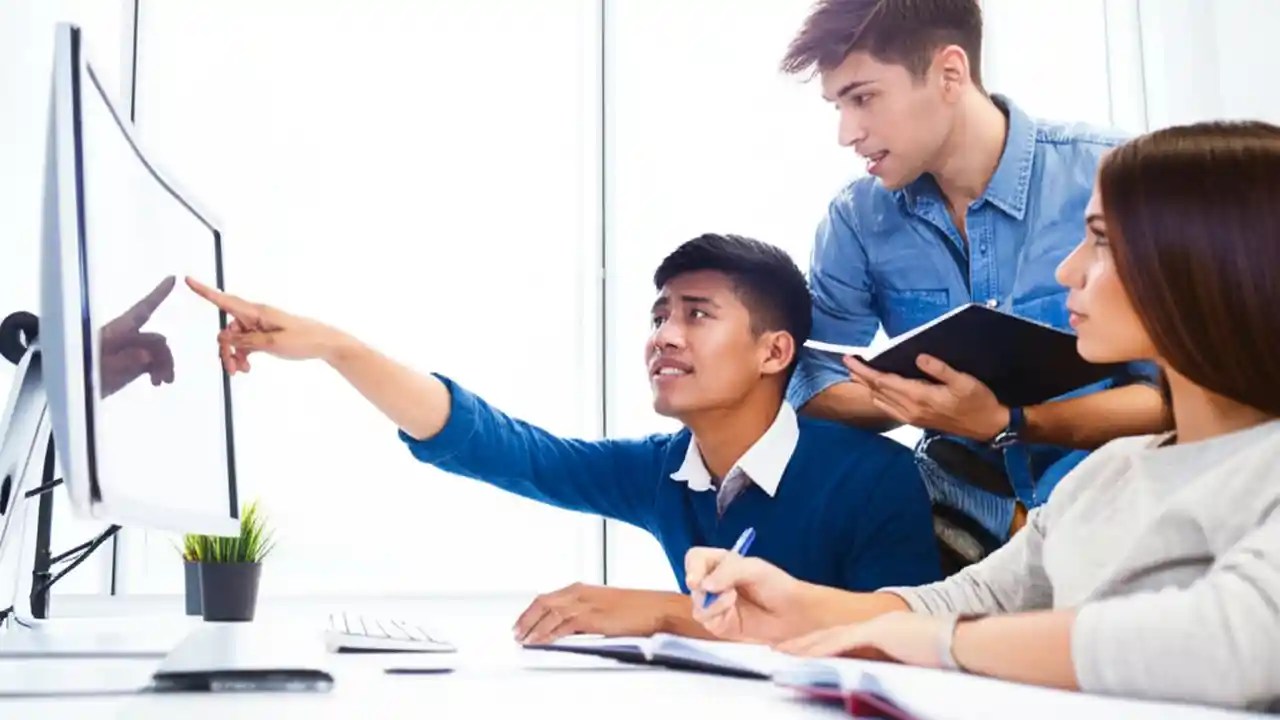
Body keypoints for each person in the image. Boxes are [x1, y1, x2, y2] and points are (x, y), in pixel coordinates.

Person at [684, 122, 1280, 711]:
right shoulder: (1107, 475)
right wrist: (790, 603)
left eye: (1100, 240)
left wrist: (941, 643)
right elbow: (968, 598)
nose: (1068, 270)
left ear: (1205, 261)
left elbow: (1232, 640)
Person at [187, 233, 941, 644]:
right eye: (658, 315)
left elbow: (892, 636)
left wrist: (659, 609)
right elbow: (501, 446)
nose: (663, 337)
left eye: (697, 315)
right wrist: (336, 348)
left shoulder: (876, 477)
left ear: (775, 352)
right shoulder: (664, 472)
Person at [780, 0, 1169, 565]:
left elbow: (1179, 396)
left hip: (1118, 511)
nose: (846, 133)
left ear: (950, 73)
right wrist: (918, 404)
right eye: (837, 105)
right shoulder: (857, 219)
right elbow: (805, 375)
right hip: (953, 518)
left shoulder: (1110, 176)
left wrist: (1012, 423)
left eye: (863, 98)